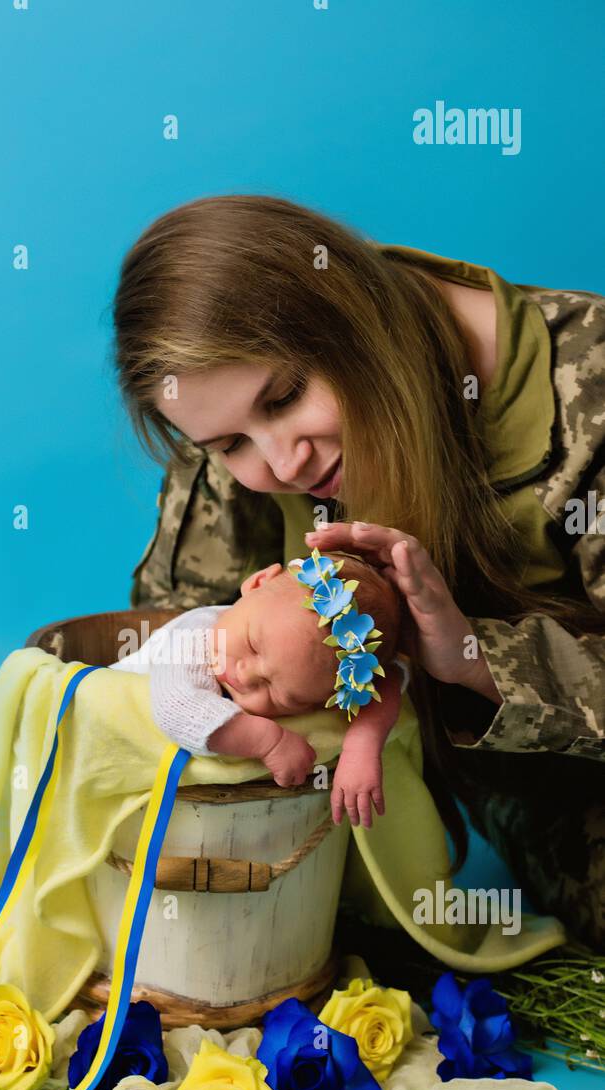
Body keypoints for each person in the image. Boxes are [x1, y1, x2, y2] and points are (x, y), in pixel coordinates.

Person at [112, 193, 605, 947]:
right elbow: (177, 641)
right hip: (357, 793)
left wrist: (475, 657)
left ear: (349, 314)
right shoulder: (226, 415)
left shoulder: (588, 378)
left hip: (563, 772)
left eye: (285, 398)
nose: (280, 462)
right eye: (228, 445)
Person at [111, 550, 407, 824]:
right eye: (252, 644)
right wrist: (270, 742)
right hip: (107, 732)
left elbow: (390, 677)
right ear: (257, 583)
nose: (246, 675)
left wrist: (362, 746)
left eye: (280, 694)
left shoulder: (267, 634)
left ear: (315, 702)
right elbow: (175, 708)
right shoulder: (193, 638)